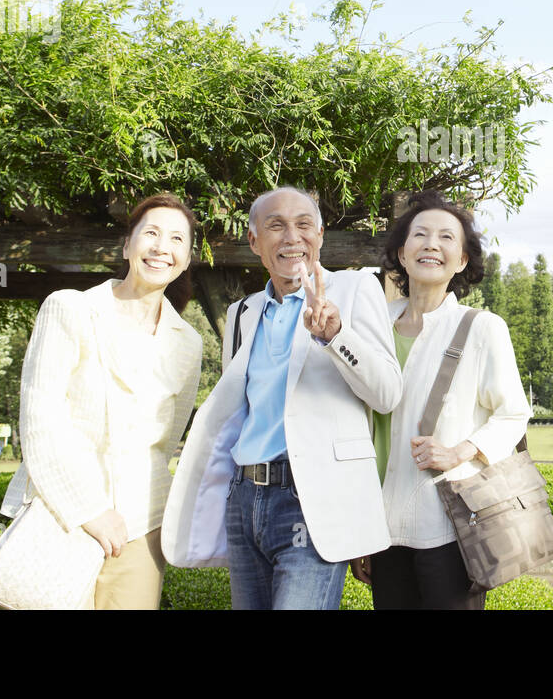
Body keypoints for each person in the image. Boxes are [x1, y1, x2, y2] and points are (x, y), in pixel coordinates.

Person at [161, 186, 402, 609]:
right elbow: (239, 411)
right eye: (276, 226)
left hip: (311, 499)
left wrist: (335, 335)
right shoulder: (242, 313)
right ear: (254, 241)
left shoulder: (356, 289)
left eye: (303, 224)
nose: (292, 237)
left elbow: (387, 393)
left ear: (321, 235)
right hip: (245, 498)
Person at [0, 192, 204, 609]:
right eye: (151, 233)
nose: (162, 247)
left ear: (185, 259)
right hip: (63, 516)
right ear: (127, 246)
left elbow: (164, 444)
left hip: (142, 524)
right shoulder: (69, 309)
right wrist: (89, 510)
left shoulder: (189, 342)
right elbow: (41, 423)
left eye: (176, 240)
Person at [358, 190, 530, 609]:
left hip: (451, 527)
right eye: (420, 235)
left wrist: (459, 452)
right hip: (381, 527)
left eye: (446, 238)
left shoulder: (482, 328)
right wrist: (357, 527)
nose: (431, 244)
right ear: (401, 253)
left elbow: (513, 414)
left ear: (462, 260)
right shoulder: (370, 328)